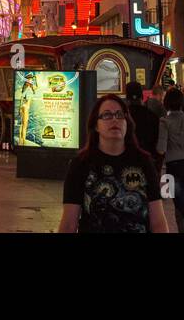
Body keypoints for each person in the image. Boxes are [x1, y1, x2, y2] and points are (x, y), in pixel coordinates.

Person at [59, 93, 167, 233]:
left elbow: (158, 221)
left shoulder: (143, 162)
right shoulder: (81, 164)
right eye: (107, 115)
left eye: (119, 115)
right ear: (96, 125)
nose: (114, 120)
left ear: (126, 123)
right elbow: (69, 223)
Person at [157, 87, 184, 232]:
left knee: (179, 208)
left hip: (173, 168)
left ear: (166, 103)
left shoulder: (164, 122)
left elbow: (161, 148)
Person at [125, 82, 162, 172]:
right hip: (148, 162)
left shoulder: (123, 117)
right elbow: (158, 142)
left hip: (128, 162)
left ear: (127, 98)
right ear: (141, 96)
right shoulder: (152, 116)